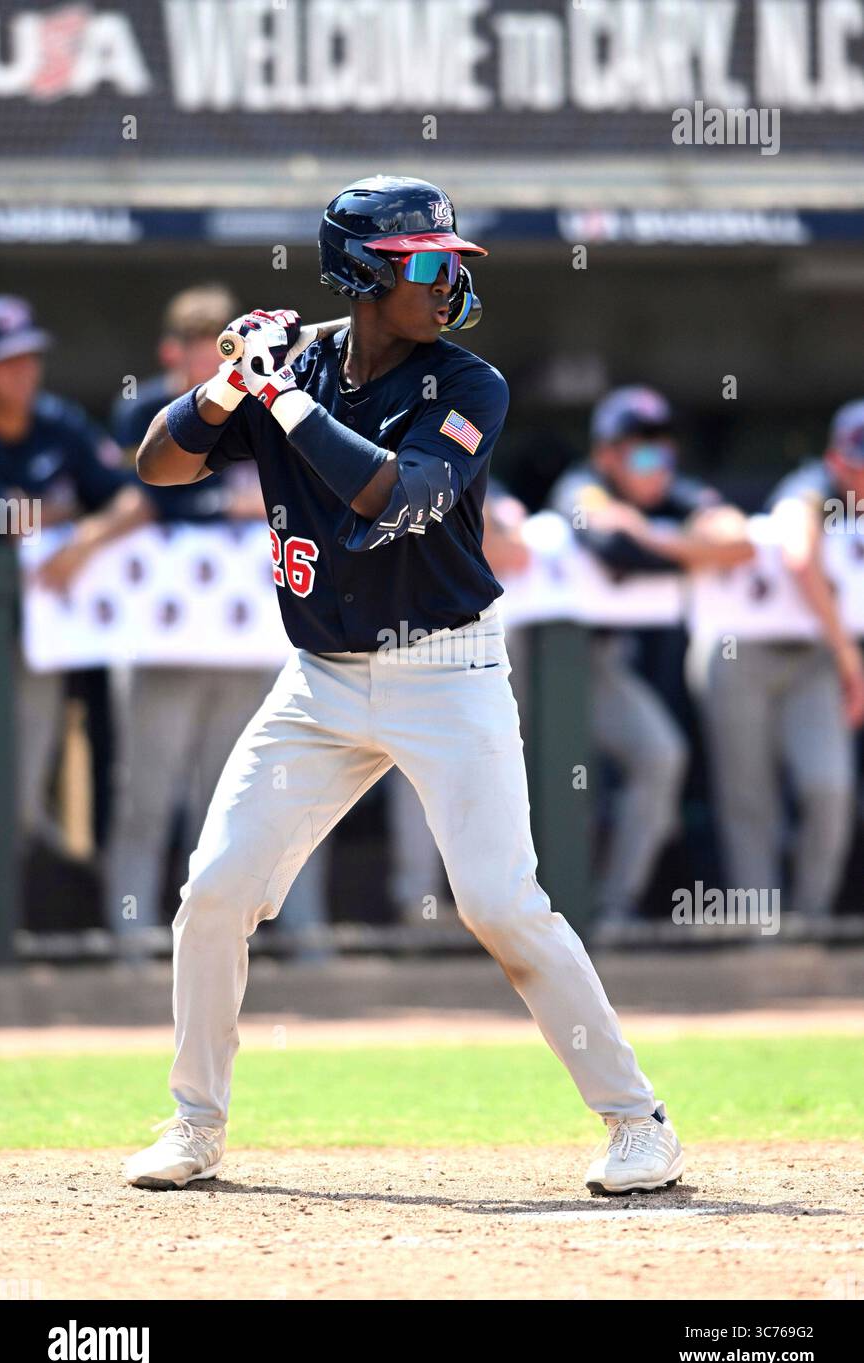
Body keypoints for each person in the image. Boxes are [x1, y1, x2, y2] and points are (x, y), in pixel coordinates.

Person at [124, 175, 683, 1197]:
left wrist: (277, 394)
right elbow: (155, 463)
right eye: (423, 265)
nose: (446, 283)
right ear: (359, 275)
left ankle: (636, 1122)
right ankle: (195, 1123)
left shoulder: (468, 383)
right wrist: (223, 387)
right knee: (213, 893)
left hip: (446, 669)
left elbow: (400, 497)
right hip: (320, 681)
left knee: (500, 905)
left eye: (450, 263)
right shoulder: (296, 366)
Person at [106, 284, 330, 953]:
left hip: (251, 635)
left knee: (247, 796)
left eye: (223, 350)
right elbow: (141, 498)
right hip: (165, 634)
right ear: (175, 353)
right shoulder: (148, 408)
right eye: (202, 350)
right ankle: (130, 932)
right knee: (149, 792)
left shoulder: (268, 391)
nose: (214, 364)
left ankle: (261, 933)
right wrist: (220, 509)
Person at [549, 387, 753, 941]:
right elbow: (612, 547)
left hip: (601, 664)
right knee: (550, 789)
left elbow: (738, 543)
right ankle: (524, 921)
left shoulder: (666, 499)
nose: (658, 466)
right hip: (534, 664)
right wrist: (684, 549)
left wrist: (653, 534)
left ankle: (614, 911)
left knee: (661, 754)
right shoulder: (580, 487)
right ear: (607, 454)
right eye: (642, 453)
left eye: (664, 452)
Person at [0, 295, 153, 848]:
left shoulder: (58, 422)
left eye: (28, 358)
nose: (24, 372)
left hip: (42, 635)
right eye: (8, 361)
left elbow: (134, 501)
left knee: (27, 770)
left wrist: (82, 538)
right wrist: (58, 510)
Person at [699, 401, 864, 917]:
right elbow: (798, 554)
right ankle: (760, 929)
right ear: (837, 459)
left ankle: (809, 922)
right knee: (750, 800)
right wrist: (849, 659)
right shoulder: (809, 487)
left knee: (829, 790)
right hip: (741, 654)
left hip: (810, 662)